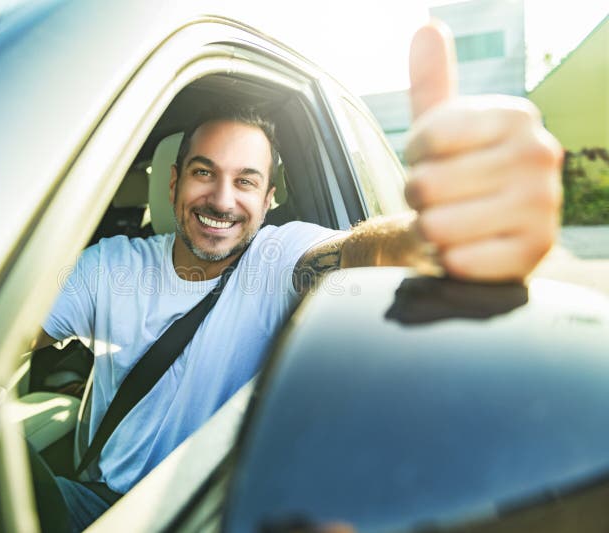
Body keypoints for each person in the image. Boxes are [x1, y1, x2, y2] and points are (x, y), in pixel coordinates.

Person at [33, 22, 563, 530]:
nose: (221, 199)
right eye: (203, 173)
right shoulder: (111, 266)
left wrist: (433, 237)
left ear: (268, 201)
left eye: (245, 181)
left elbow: (358, 255)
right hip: (95, 506)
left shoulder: (280, 256)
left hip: (215, 515)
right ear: (173, 183)